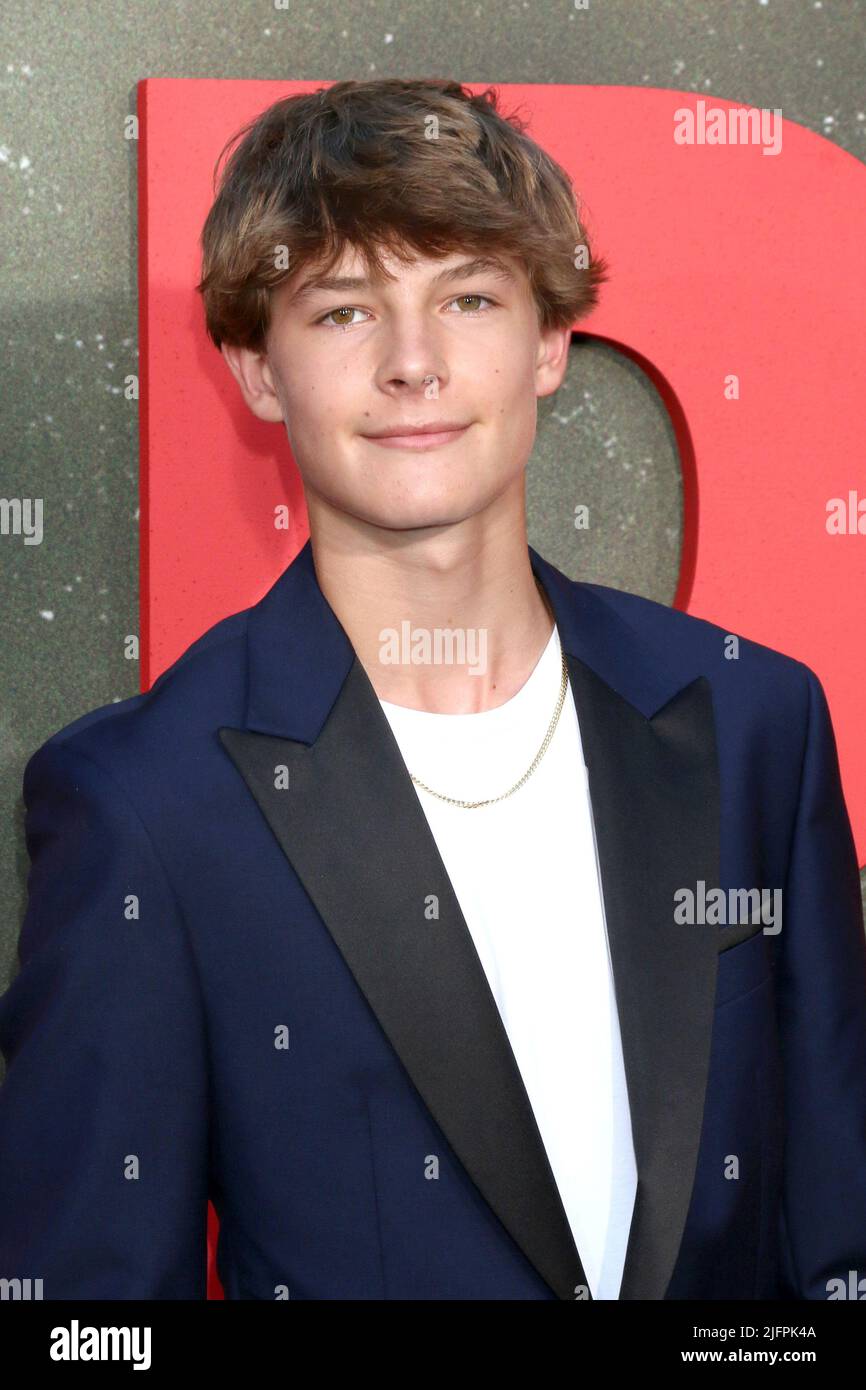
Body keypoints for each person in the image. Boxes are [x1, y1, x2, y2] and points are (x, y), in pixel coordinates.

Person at [1, 76, 864, 1301]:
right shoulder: (146, 802)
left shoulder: (752, 721)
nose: (413, 364)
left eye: (466, 298)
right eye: (344, 311)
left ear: (549, 341)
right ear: (256, 371)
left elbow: (833, 1245)